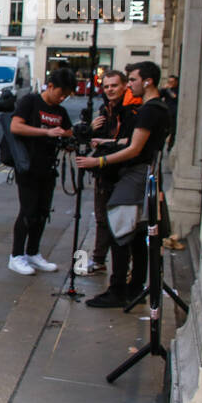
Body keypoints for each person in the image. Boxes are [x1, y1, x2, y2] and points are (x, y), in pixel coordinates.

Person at [76, 62, 171, 308]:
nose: (130, 85)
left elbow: (134, 148)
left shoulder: (149, 110)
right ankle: (134, 287)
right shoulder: (159, 108)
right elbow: (134, 142)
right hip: (146, 173)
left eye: (132, 80)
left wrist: (98, 160)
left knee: (120, 228)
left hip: (136, 175)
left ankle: (118, 290)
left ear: (147, 81)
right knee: (138, 233)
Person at [7, 66, 76, 275]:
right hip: (28, 166)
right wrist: (46, 133)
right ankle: (16, 256)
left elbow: (67, 133)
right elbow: (15, 126)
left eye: (67, 95)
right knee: (27, 211)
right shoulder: (31, 102)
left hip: (48, 167)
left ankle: (33, 253)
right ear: (51, 86)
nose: (63, 98)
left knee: (42, 212)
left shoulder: (60, 111)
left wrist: (69, 138)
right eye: (61, 93)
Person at [82, 70, 134, 277]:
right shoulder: (105, 110)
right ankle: (98, 260)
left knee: (123, 220)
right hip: (104, 172)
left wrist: (103, 142)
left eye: (114, 85)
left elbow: (130, 142)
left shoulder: (132, 111)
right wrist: (92, 129)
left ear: (124, 86)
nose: (110, 90)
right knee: (102, 218)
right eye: (106, 86)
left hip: (124, 171)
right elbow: (96, 138)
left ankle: (125, 267)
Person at [160, 74, 179, 151]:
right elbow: (159, 95)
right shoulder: (166, 89)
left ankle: (170, 146)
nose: (170, 83)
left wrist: (169, 90)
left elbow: (174, 97)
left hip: (174, 112)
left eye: (172, 82)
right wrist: (163, 89)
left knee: (173, 130)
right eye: (169, 82)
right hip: (167, 111)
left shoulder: (177, 89)